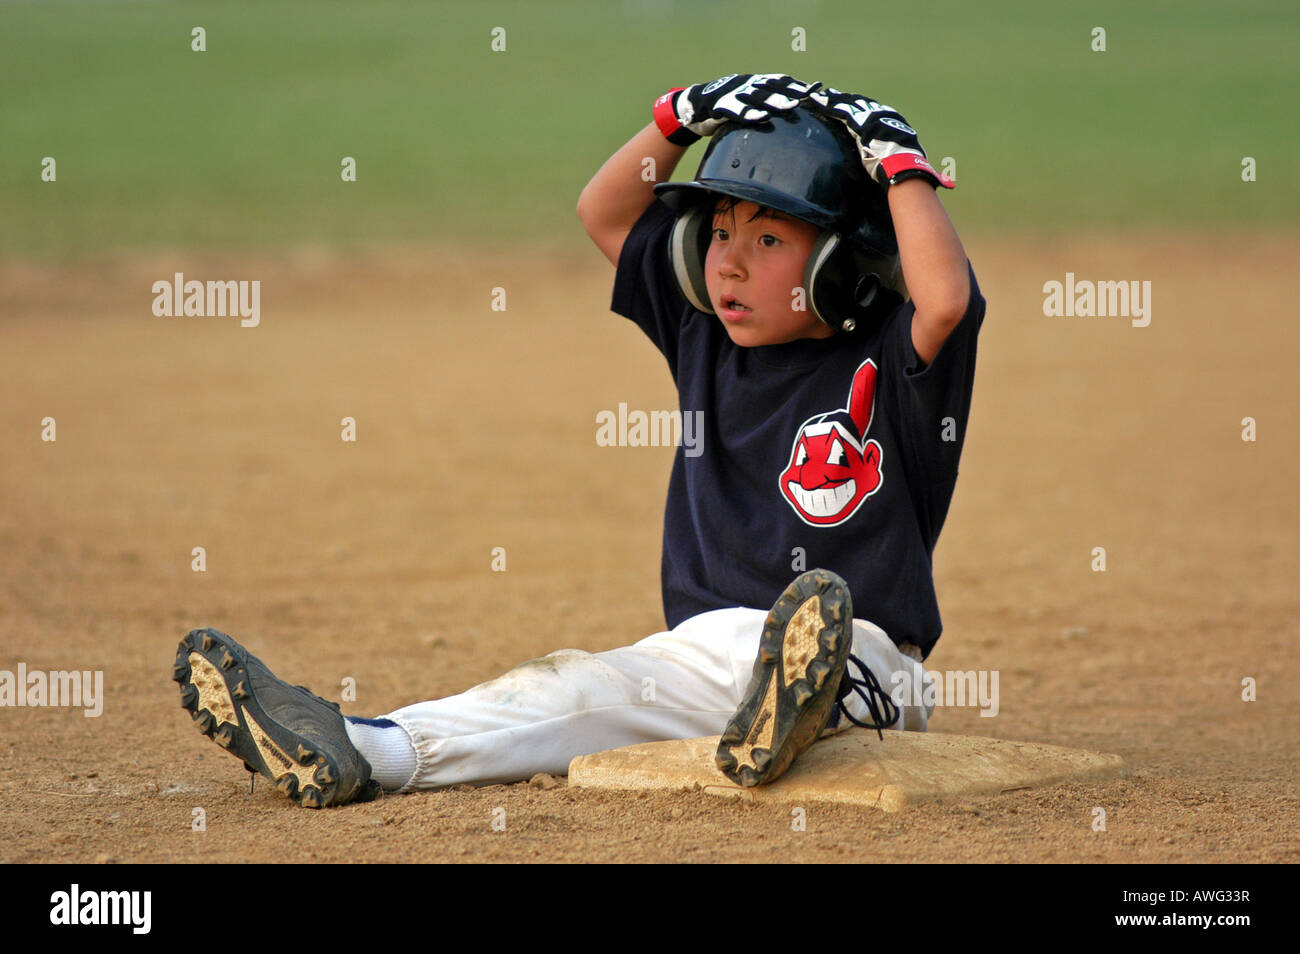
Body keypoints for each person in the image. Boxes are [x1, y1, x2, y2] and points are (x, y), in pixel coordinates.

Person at [172, 73, 985, 807]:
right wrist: (680, 114)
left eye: (767, 241)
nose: (728, 263)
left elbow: (945, 300)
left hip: (869, 659)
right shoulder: (704, 337)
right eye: (720, 233)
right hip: (701, 656)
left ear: (843, 267)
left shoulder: (888, 359)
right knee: (575, 690)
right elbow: (603, 210)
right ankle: (366, 747)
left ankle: (803, 705)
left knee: (823, 648)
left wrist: (900, 163)